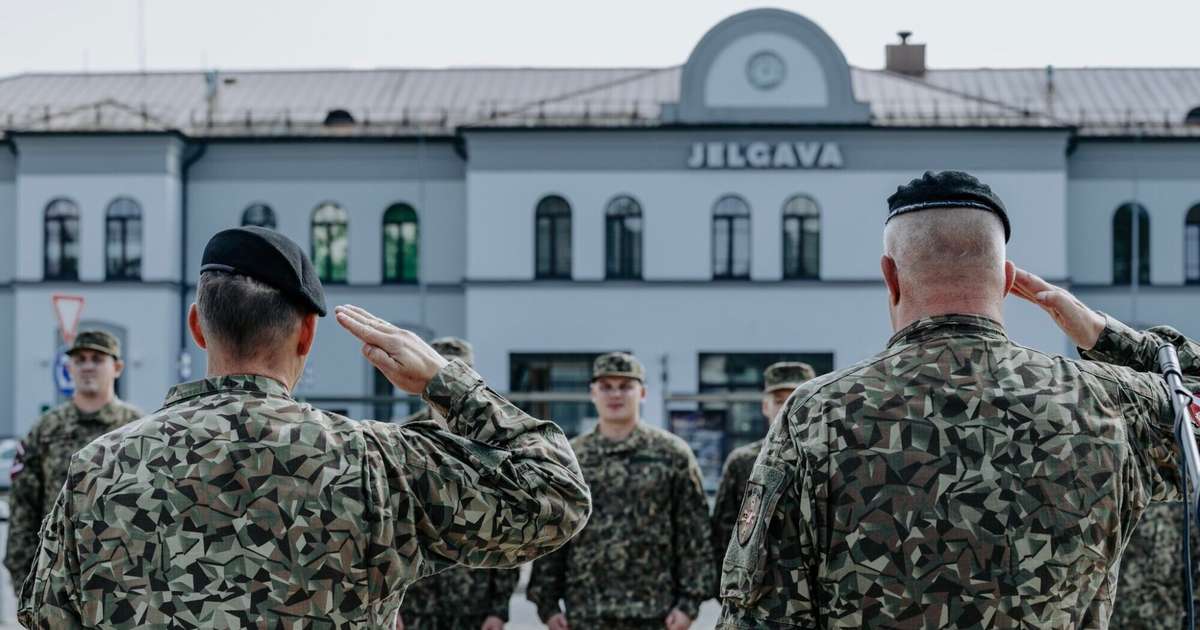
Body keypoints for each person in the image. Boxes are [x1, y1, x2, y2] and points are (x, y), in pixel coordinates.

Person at [18, 226, 591, 628]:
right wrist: (445, 381)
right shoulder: (376, 463)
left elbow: (44, 613)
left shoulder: (98, 467)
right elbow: (557, 495)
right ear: (306, 335)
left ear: (198, 326)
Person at [717, 170, 1200, 628]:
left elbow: (761, 615)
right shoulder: (1108, 403)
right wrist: (1105, 335)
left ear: (891, 276)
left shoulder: (816, 415)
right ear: (1008, 280)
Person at [527, 352, 713, 630]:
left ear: (643, 393)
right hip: (586, 612)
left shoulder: (672, 454)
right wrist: (548, 605)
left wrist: (689, 604)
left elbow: (694, 532)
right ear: (593, 393)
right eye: (606, 386)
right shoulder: (570, 458)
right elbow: (553, 531)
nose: (616, 394)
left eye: (625, 386)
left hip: (656, 612)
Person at [396, 336, 521, 630]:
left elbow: (509, 527)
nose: (445, 384)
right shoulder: (401, 437)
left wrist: (499, 609)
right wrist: (389, 602)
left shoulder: (492, 440)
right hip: (416, 606)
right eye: (437, 373)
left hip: (474, 607)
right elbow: (388, 524)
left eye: (454, 374)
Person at [5, 330, 143, 591]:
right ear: (69, 367)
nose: (88, 366)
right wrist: (23, 579)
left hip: (123, 577)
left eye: (97, 359)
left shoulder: (136, 428)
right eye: (80, 359)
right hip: (57, 578)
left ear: (117, 367)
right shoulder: (46, 430)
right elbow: (23, 508)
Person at [709, 361, 813, 579]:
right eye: (779, 401)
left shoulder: (827, 458)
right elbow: (721, 535)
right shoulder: (743, 462)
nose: (788, 408)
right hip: (758, 593)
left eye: (798, 399)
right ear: (765, 406)